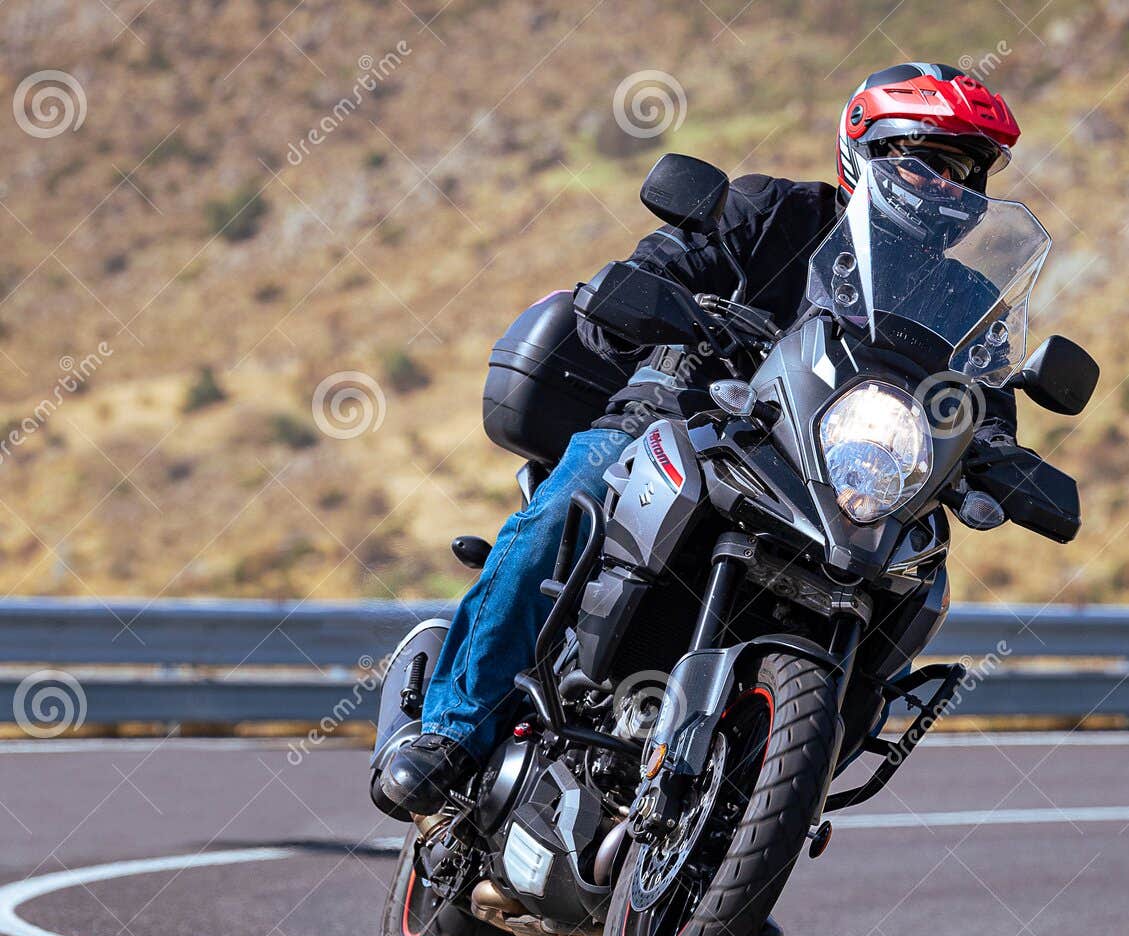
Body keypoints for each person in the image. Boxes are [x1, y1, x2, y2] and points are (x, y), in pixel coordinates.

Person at [379, 62, 1025, 817]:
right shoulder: (772, 211)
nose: (947, 186)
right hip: (677, 418)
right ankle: (451, 730)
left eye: (965, 170)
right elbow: (664, 263)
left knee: (913, 578)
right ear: (867, 149)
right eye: (929, 161)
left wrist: (1004, 459)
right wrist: (640, 293)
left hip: (834, 482)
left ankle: (745, 819)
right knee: (564, 510)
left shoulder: (966, 300)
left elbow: (985, 404)